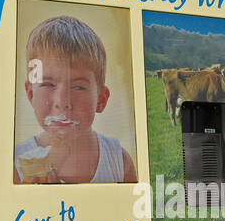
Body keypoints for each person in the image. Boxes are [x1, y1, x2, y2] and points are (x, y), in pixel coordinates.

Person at [13, 15, 136, 184]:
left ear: (101, 99)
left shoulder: (119, 163)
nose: (63, 102)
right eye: (48, 84)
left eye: (78, 87)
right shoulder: (16, 166)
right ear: (31, 94)